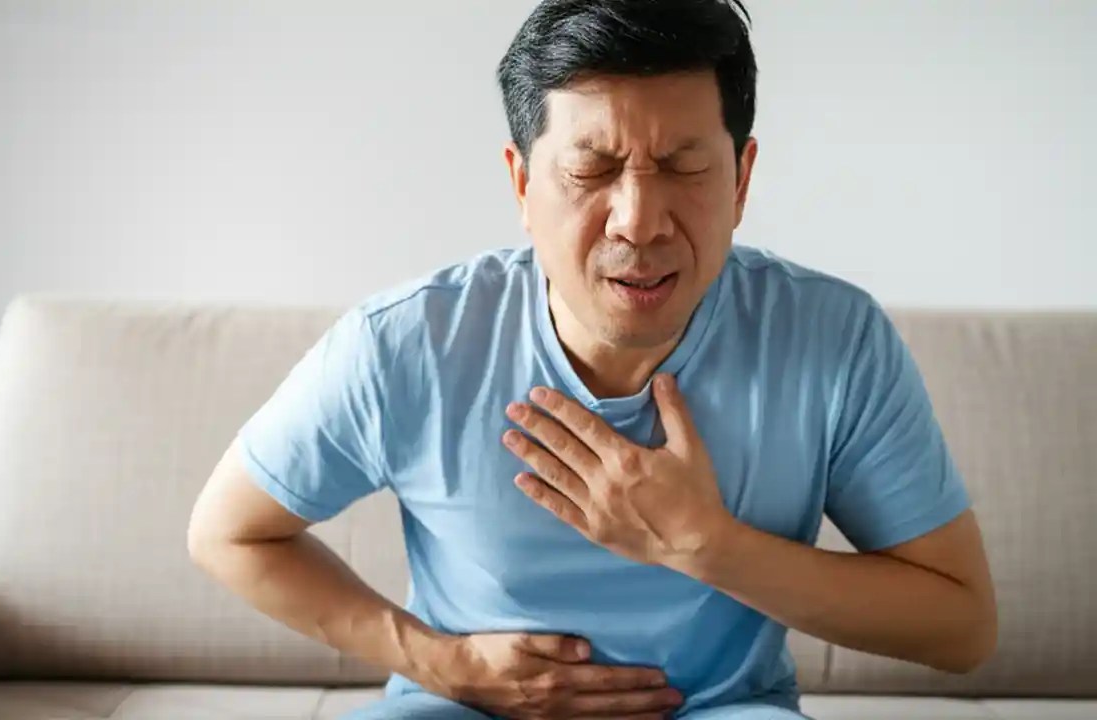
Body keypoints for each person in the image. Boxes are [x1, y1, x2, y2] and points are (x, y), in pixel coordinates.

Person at [187, 1, 998, 717]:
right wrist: (446, 665)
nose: (639, 223)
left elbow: (961, 627)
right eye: (591, 170)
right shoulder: (406, 342)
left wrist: (706, 544)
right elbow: (229, 535)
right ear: (522, 184)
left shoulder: (834, 338)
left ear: (743, 179)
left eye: (684, 168)